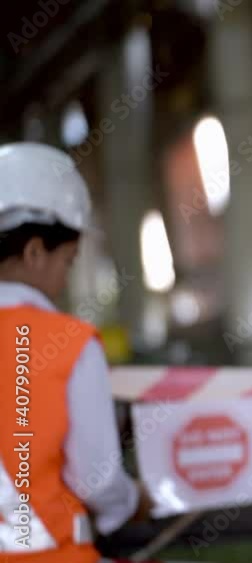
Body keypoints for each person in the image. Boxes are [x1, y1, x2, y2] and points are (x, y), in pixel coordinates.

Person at [0, 142, 150, 562]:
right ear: (34, 252)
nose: (65, 279)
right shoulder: (67, 342)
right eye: (68, 262)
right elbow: (96, 480)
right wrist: (131, 502)